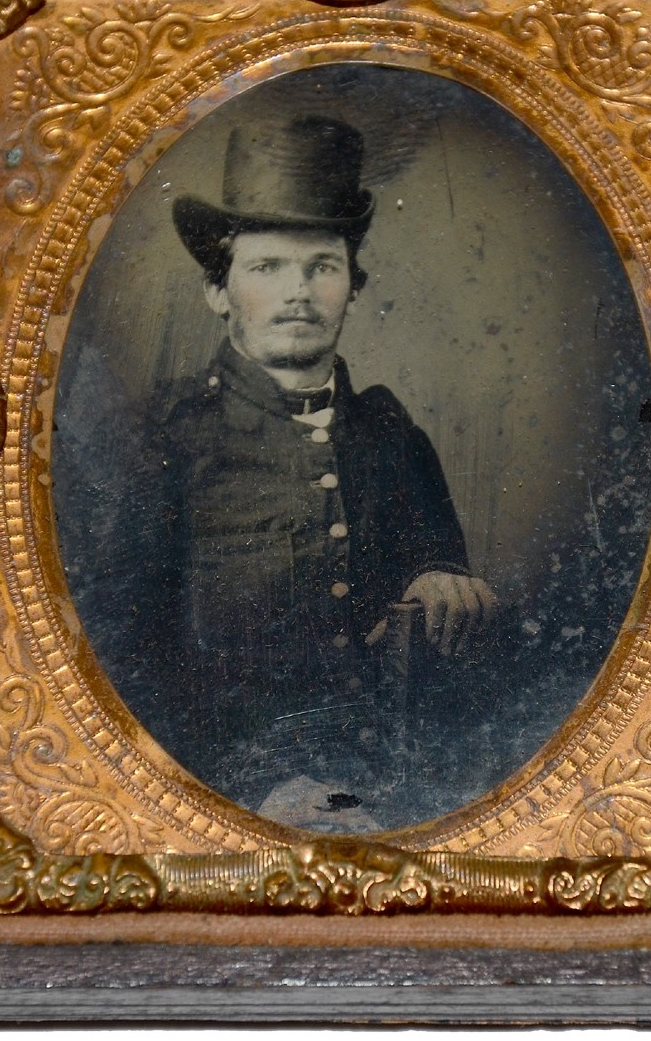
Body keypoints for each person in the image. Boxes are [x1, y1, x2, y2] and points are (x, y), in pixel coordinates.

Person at [57, 116, 494, 826]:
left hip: (401, 785)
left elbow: (434, 566)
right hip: (224, 793)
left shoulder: (390, 433)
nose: (298, 292)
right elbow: (119, 667)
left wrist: (440, 573)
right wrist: (245, 789)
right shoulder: (165, 440)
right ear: (218, 292)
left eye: (321, 266)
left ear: (352, 286)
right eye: (266, 267)